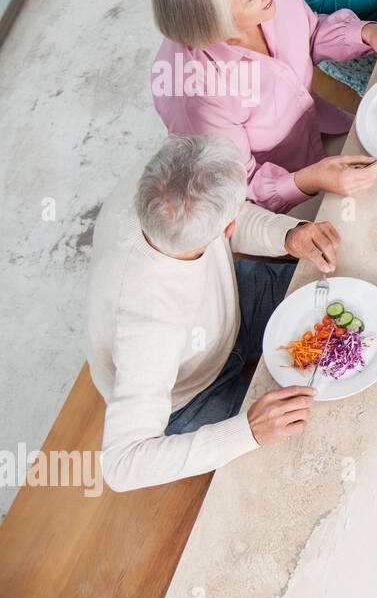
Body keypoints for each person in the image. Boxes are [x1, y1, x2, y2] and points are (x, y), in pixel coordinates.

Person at [88, 135, 342, 492]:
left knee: (339, 296)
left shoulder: (163, 181)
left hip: (231, 302)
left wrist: (287, 235)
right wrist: (247, 432)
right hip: (191, 394)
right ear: (225, 229)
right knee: (315, 439)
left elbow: (226, 214)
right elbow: (121, 465)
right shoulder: (146, 325)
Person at [149, 0, 377, 216]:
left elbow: (309, 32)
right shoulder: (196, 95)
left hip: (326, 128)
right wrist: (312, 179)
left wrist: (367, 34)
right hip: (281, 198)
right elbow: (239, 188)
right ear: (212, 24)